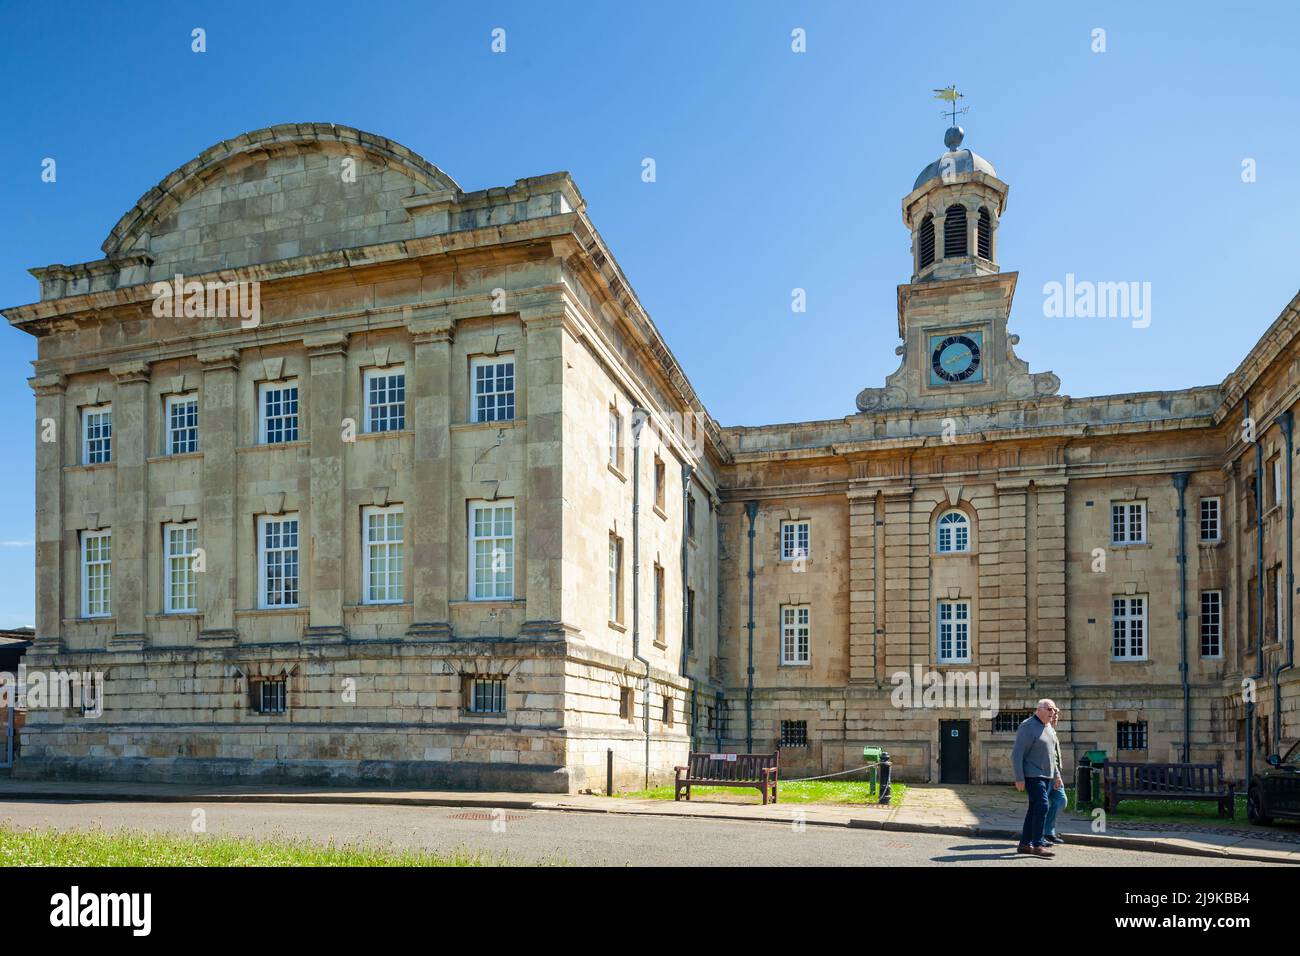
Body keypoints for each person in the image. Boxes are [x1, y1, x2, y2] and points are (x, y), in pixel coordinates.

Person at [1010, 698, 1063, 857]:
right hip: (1032, 775)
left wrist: (1057, 776)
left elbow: (1052, 756)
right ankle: (1038, 844)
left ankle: (1024, 844)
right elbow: (1016, 754)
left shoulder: (1048, 727)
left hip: (1047, 776)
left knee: (1034, 809)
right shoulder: (1028, 726)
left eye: (1054, 710)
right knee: (1042, 806)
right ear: (1038, 709)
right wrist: (1019, 777)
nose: (1052, 713)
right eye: (1049, 709)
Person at [1042, 709, 1068, 845]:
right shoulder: (1043, 731)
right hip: (1045, 775)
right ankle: (1040, 835)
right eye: (1053, 715)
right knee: (1042, 806)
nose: (1055, 718)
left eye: (1057, 715)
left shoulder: (1052, 732)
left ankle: (1048, 832)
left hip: (1055, 775)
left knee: (1061, 801)